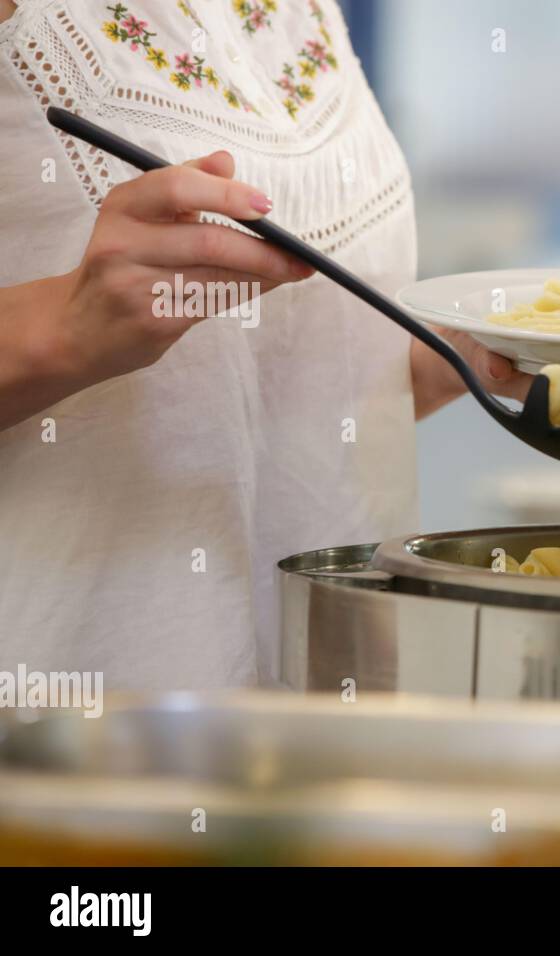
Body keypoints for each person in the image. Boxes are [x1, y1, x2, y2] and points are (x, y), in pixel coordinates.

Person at [0, 0, 528, 688]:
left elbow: (270, 382)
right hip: (75, 719)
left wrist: (443, 362)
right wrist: (61, 328)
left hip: (321, 711)